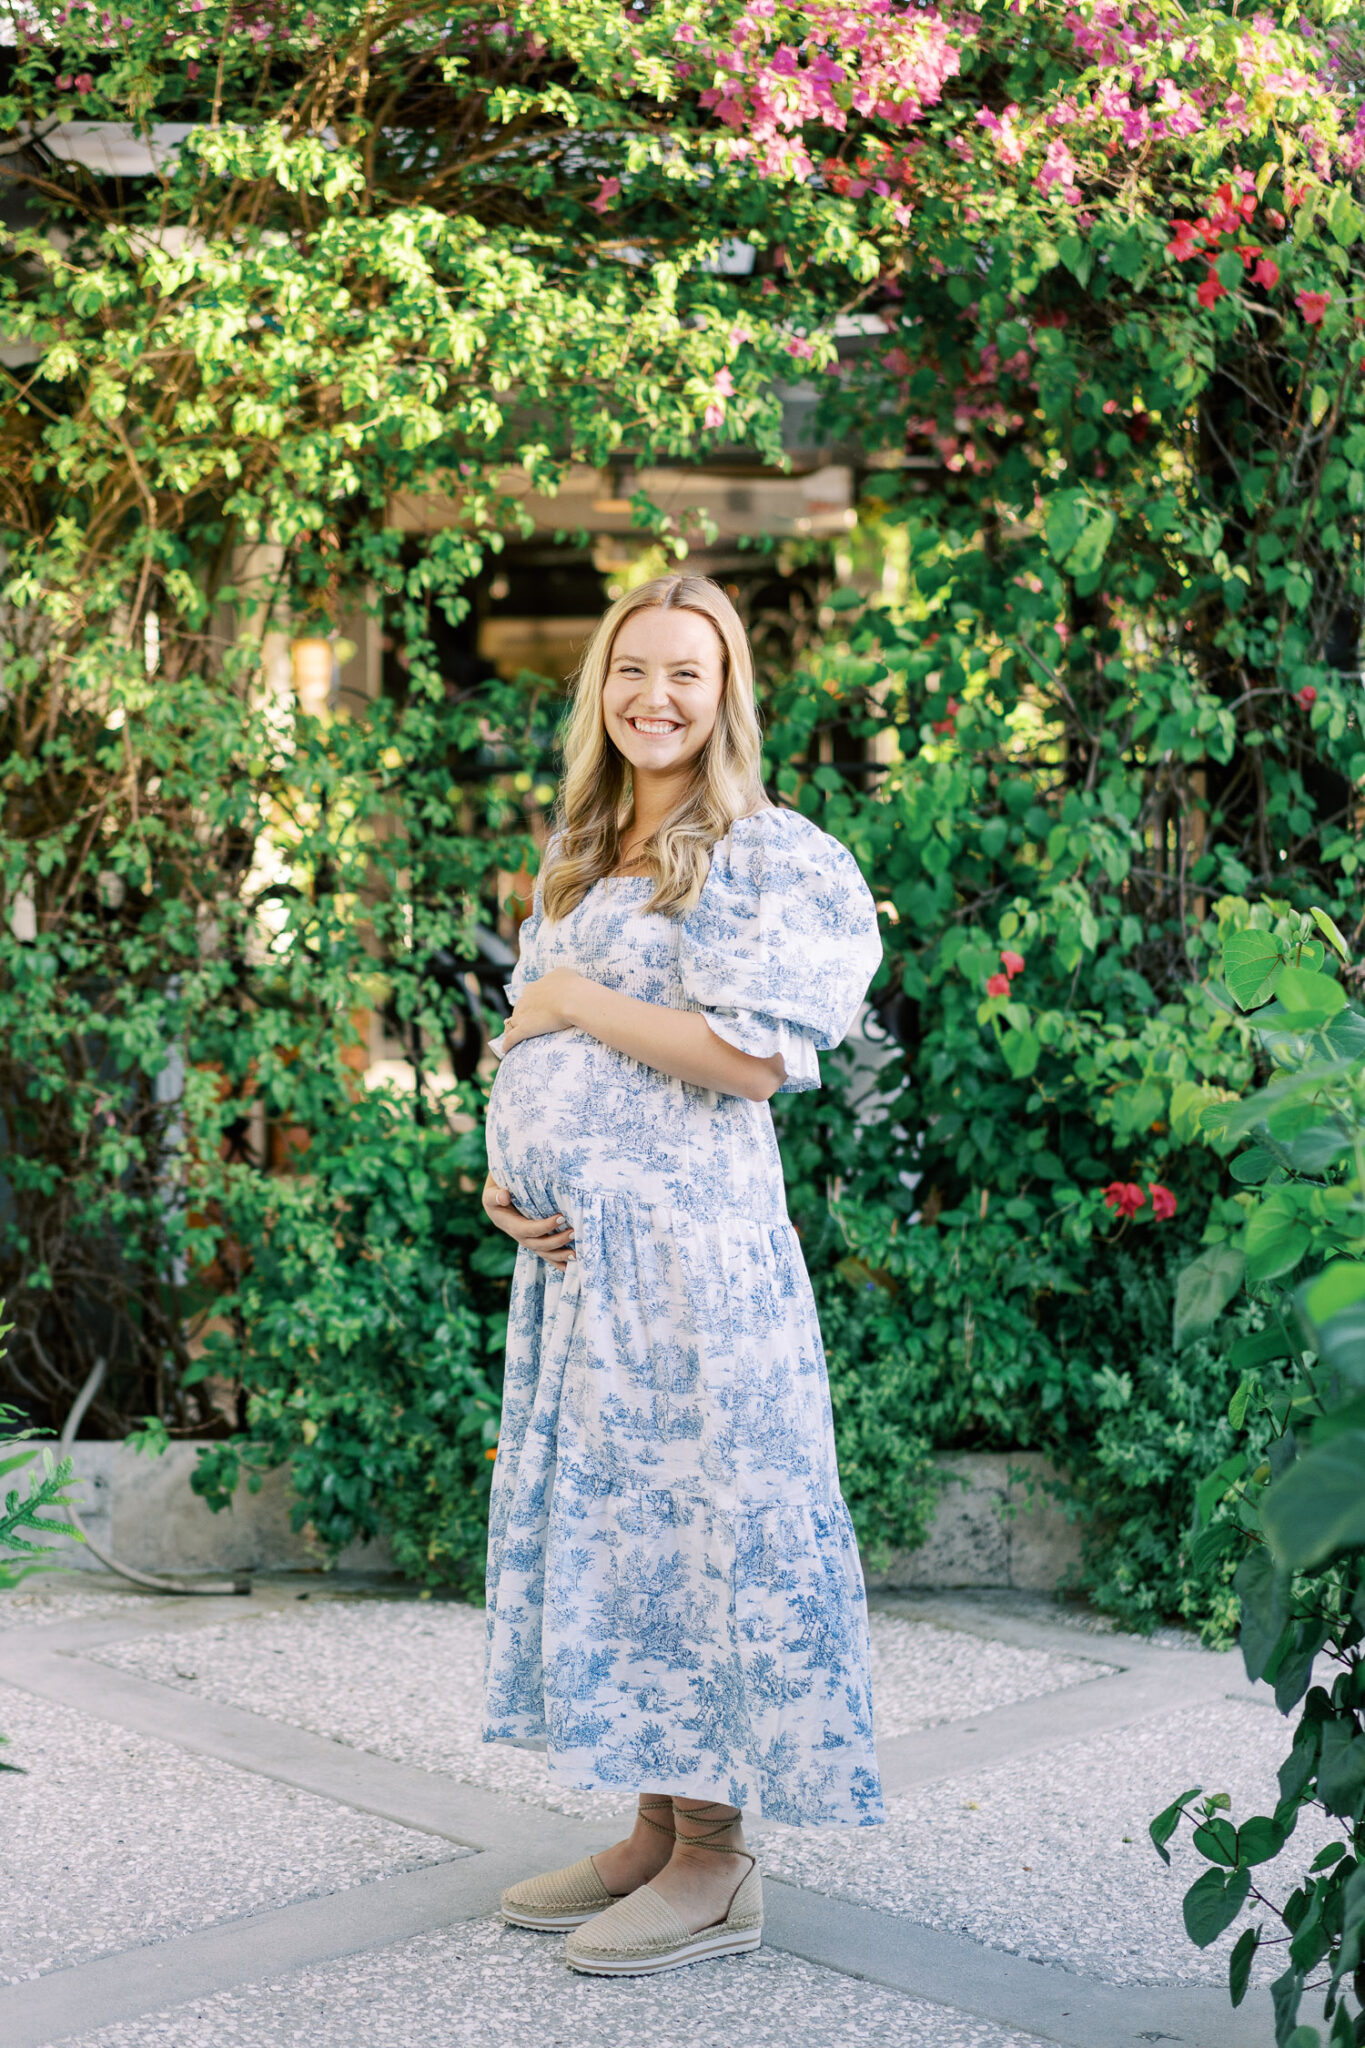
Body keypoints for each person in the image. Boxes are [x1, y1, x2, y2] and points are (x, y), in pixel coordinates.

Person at [480, 573, 884, 1977]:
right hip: (590, 1277)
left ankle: (718, 1862)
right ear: (600, 688)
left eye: (686, 674)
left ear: (725, 700)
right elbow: (541, 1051)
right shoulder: (584, 850)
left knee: (699, 1535)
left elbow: (752, 1060)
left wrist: (574, 1003)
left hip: (692, 1271)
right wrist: (507, 1170)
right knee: (629, 1540)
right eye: (631, 669)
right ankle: (655, 1825)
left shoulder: (766, 853)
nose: (655, 694)